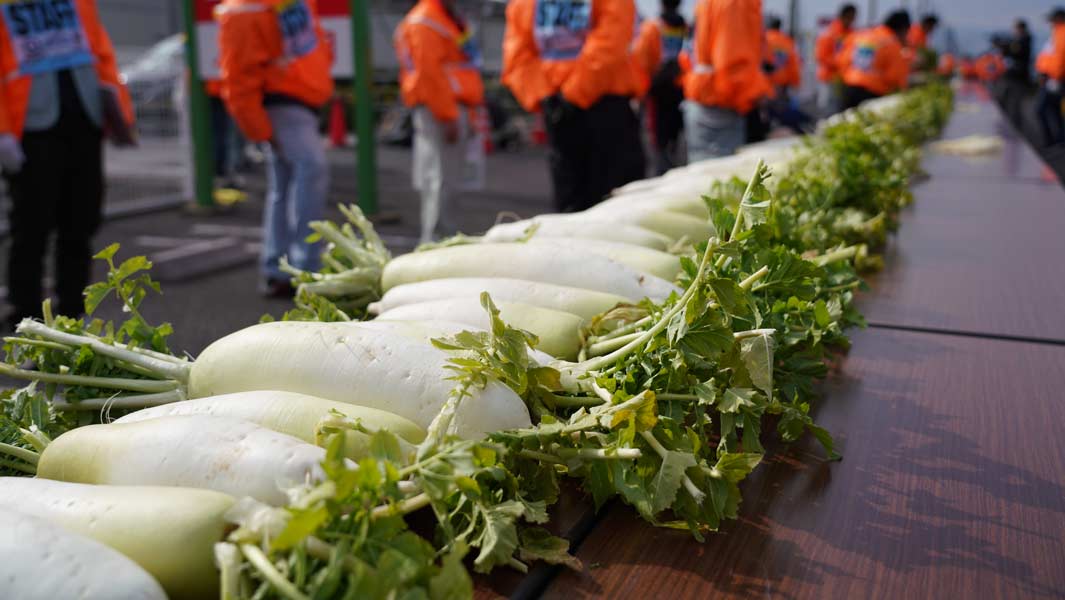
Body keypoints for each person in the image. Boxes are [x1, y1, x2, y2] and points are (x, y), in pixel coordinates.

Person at [0, 0, 135, 327]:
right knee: (31, 228)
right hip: (31, 129)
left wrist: (117, 113)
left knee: (82, 222)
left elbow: (99, 52)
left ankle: (73, 311)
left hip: (82, 120)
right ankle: (26, 314)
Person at [216, 0, 334, 297]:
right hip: (283, 103)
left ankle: (281, 268)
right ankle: (303, 267)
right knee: (310, 171)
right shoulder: (246, 10)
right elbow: (238, 78)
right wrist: (261, 130)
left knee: (285, 186)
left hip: (294, 103)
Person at [503, 0, 645, 213]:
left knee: (576, 198)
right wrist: (566, 95)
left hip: (567, 107)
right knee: (615, 202)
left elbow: (517, 56)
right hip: (599, 102)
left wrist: (548, 95)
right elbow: (612, 39)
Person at [395, 0, 485, 243]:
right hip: (443, 110)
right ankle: (437, 242)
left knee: (438, 178)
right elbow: (429, 75)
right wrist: (449, 115)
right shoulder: (428, 21)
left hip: (449, 108)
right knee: (442, 180)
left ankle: (438, 239)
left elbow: (460, 66)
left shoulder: (444, 18)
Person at [682, 0, 771, 162]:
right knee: (719, 177)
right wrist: (755, 99)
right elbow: (733, 66)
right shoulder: (735, 4)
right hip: (722, 104)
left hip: (709, 96)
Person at [632, 0, 688, 175]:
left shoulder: (652, 28)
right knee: (676, 136)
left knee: (658, 141)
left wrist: (639, 93)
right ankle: (674, 168)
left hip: (657, 90)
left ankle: (662, 173)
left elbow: (641, 60)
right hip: (680, 88)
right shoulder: (685, 28)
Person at [839, 10, 911, 110]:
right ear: (903, 29)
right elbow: (895, 76)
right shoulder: (892, 44)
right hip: (872, 94)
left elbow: (842, 60)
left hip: (849, 87)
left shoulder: (862, 35)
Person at [763, 15, 811, 135]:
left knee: (766, 113)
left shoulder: (764, 39)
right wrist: (795, 82)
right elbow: (793, 64)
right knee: (782, 111)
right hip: (781, 85)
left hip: (764, 84)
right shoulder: (787, 42)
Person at [814, 4, 857, 117]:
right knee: (828, 109)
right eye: (850, 17)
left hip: (844, 79)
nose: (852, 21)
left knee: (839, 110)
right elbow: (821, 56)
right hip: (829, 78)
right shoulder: (829, 33)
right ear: (843, 16)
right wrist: (840, 63)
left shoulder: (852, 33)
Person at [1035, 8, 1065, 147]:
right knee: (1055, 110)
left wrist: (1055, 78)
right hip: (1051, 78)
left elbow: (1060, 58)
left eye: (1052, 19)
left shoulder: (1062, 33)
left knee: (1041, 109)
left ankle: (1051, 141)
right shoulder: (1057, 33)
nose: (1050, 22)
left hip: (1054, 79)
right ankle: (1059, 139)